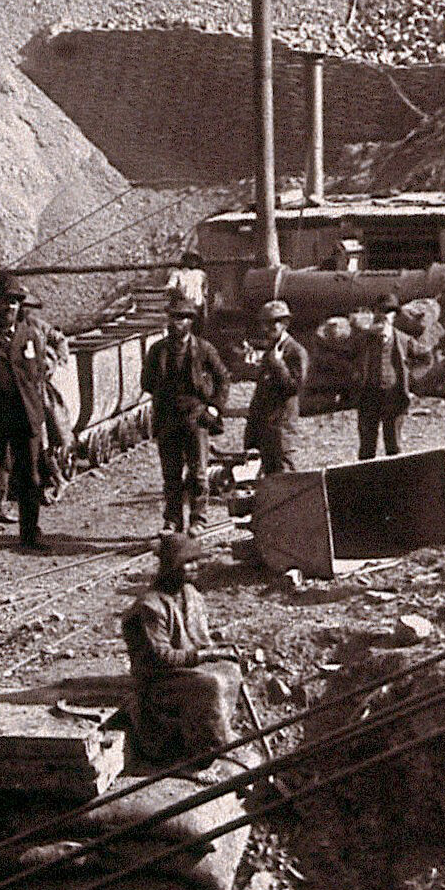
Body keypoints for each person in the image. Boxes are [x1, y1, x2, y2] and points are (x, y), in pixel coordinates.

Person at [121, 530, 237, 768]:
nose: (195, 567)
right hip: (158, 681)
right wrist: (205, 656)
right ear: (171, 565)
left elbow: (199, 637)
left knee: (231, 670)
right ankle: (202, 753)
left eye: (196, 561)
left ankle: (220, 737)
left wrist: (219, 650)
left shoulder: (190, 594)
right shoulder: (150, 607)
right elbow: (161, 657)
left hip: (183, 669)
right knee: (209, 684)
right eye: (187, 562)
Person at [0, 275, 59, 549]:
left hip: (27, 416)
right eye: (5, 301)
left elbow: (39, 377)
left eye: (15, 302)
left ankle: (30, 531)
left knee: (31, 476)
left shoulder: (31, 335)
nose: (10, 307)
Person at [143, 293, 230, 532]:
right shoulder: (157, 351)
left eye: (181, 319)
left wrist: (214, 406)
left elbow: (223, 378)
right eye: (173, 318)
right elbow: (147, 382)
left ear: (190, 322)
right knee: (171, 475)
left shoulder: (203, 349)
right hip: (168, 418)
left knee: (199, 474)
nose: (175, 323)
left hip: (196, 417)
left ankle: (198, 519)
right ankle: (172, 520)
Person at [241, 300, 308, 476]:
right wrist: (252, 431)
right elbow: (261, 393)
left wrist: (278, 365)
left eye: (274, 322)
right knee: (268, 481)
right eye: (265, 323)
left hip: (282, 430)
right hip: (265, 429)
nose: (268, 327)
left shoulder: (295, 352)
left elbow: (295, 387)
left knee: (286, 480)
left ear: (285, 323)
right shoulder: (271, 350)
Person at [351, 293, 412, 461]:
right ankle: (367, 482)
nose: (385, 315)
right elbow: (348, 356)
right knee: (367, 446)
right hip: (369, 395)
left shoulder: (403, 340)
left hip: (393, 396)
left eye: (390, 311)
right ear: (375, 313)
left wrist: (411, 382)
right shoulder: (363, 339)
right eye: (382, 310)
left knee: (393, 444)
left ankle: (395, 482)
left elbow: (425, 357)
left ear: (394, 316)